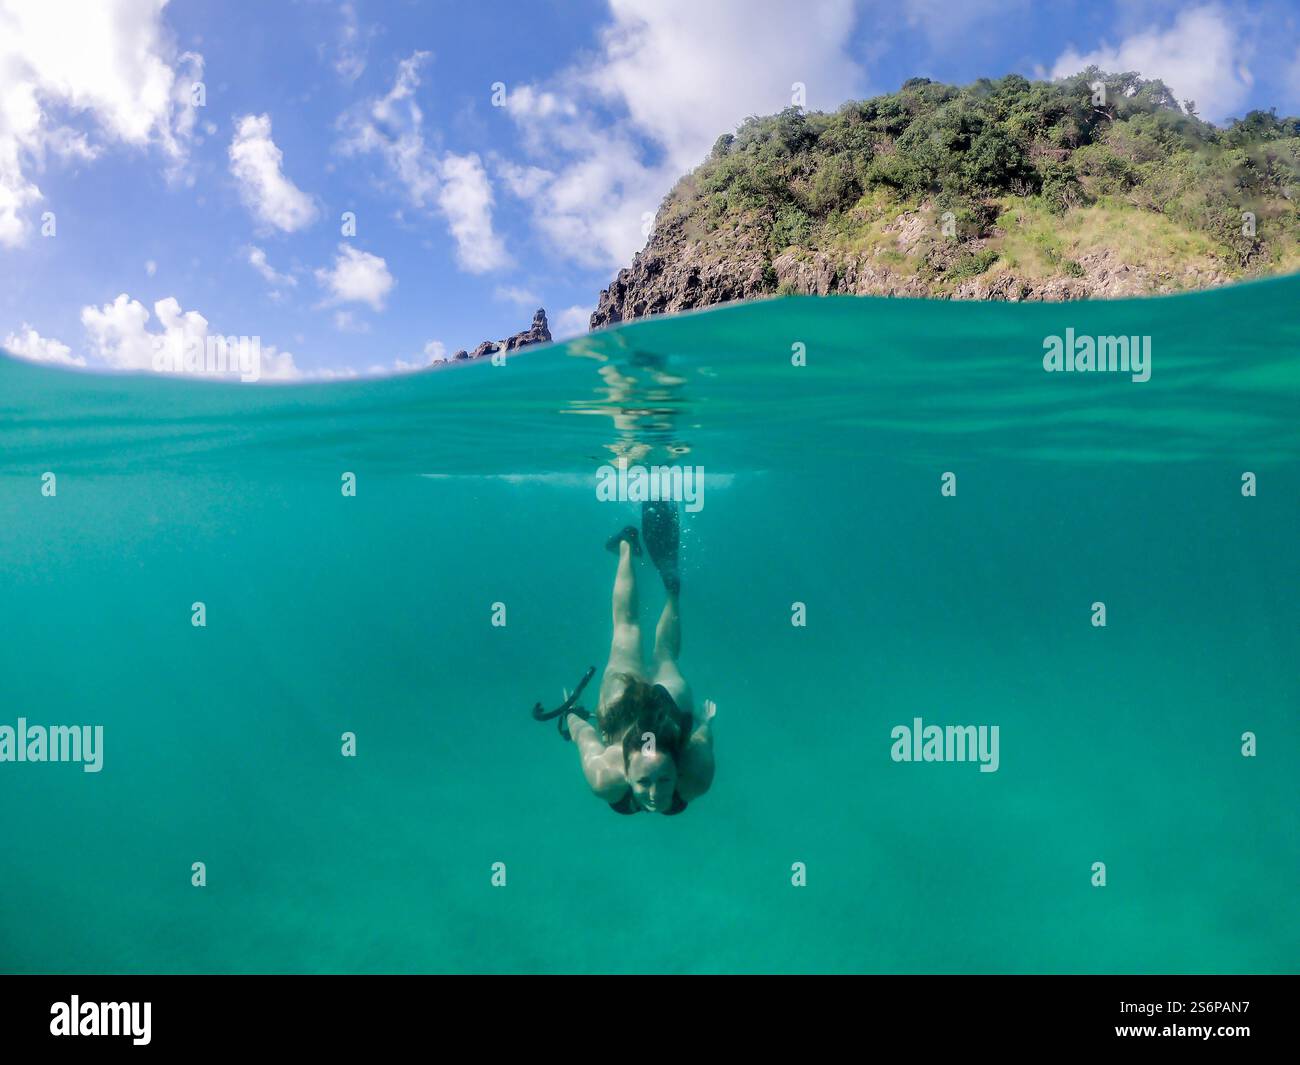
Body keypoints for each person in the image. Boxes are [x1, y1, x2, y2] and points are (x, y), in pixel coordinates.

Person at [564, 500, 715, 815]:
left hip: (622, 707)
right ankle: (658, 575)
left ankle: (631, 549)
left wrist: (571, 717)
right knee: (645, 641)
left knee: (628, 632)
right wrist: (703, 722)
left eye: (661, 780)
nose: (656, 794)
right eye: (647, 781)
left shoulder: (605, 780)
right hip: (671, 710)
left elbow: (585, 737)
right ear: (626, 773)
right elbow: (701, 737)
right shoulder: (695, 779)